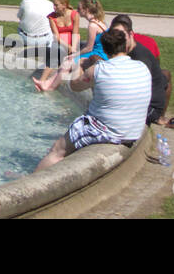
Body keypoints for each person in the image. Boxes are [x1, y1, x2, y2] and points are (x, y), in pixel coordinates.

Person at [35, 27, 151, 171]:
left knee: (57, 149)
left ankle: (33, 181)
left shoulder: (99, 69)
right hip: (134, 131)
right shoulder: (142, 67)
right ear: (126, 46)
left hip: (108, 131)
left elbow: (74, 86)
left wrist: (78, 66)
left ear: (105, 50)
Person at [109, 15, 171, 126]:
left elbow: (136, 91)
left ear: (131, 34)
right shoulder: (129, 51)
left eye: (122, 36)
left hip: (149, 109)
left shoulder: (141, 59)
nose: (119, 40)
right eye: (115, 36)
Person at [33, 0, 103, 92]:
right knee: (59, 56)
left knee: (67, 63)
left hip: (96, 53)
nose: (77, 11)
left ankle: (49, 87)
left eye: (79, 8)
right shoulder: (97, 22)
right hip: (67, 44)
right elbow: (57, 37)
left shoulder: (92, 25)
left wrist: (74, 52)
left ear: (86, 10)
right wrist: (71, 49)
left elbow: (88, 47)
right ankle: (45, 83)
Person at [17, 0, 55, 66]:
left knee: (20, 25)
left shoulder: (25, 1)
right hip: (44, 40)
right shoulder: (50, 4)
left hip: (26, 39)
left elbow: (19, 16)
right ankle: (50, 46)